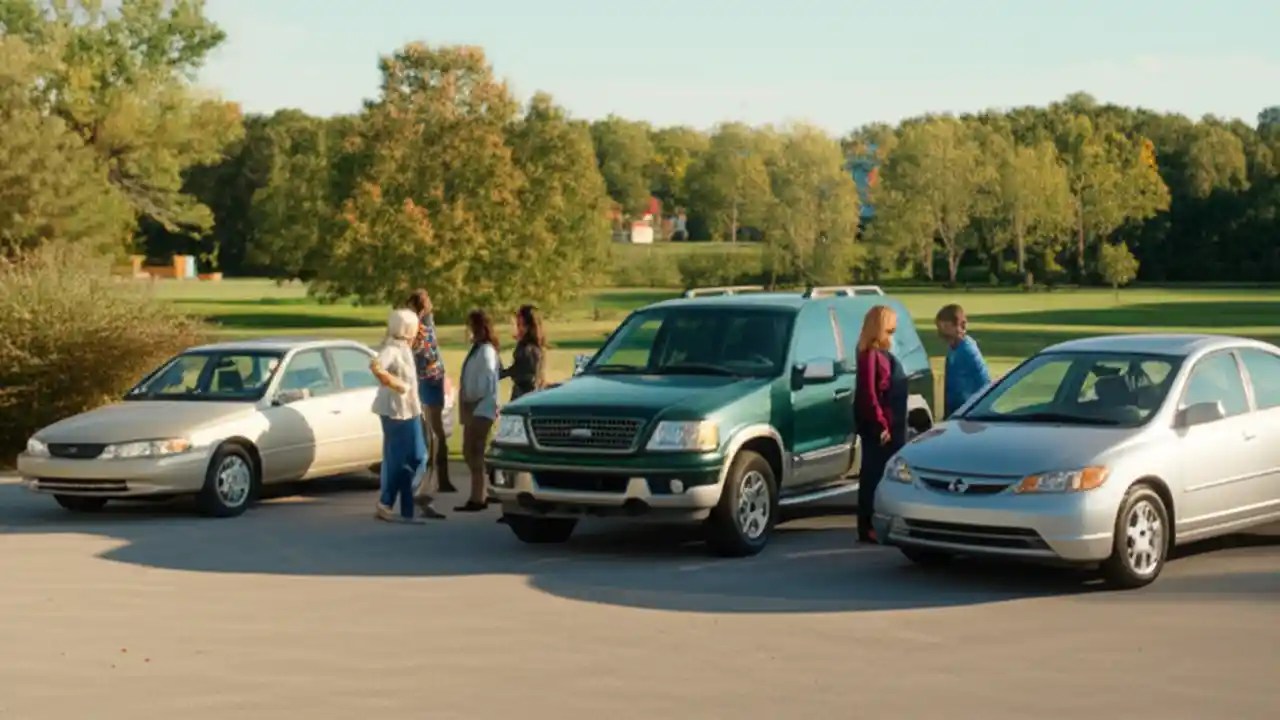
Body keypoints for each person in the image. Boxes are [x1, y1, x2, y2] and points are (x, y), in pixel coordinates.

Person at [369, 309, 432, 524]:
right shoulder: (392, 349)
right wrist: (395, 383)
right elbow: (376, 366)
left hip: (410, 410)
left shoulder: (405, 349)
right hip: (395, 411)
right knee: (398, 459)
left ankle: (407, 498)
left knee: (418, 456)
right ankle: (387, 503)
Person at [854, 305, 908, 544]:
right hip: (881, 426)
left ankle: (885, 521)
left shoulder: (885, 353)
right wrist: (880, 424)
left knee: (887, 472)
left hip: (894, 422)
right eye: (890, 325)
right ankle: (867, 526)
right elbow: (869, 393)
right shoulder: (870, 354)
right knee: (873, 475)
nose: (894, 330)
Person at [405, 290, 457, 499]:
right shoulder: (427, 325)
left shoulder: (421, 329)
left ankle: (438, 476)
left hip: (428, 380)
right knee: (434, 429)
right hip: (433, 379)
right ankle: (440, 476)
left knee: (433, 430)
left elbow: (424, 356)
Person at [456, 309, 501, 513]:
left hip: (481, 407)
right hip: (472, 407)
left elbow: (486, 382)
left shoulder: (486, 352)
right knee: (470, 451)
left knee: (475, 451)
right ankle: (481, 492)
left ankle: (479, 495)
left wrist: (472, 400)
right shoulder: (477, 349)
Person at [936, 304, 991, 418]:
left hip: (970, 413)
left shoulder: (967, 350)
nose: (942, 333)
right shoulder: (953, 349)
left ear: (959, 326)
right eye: (940, 327)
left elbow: (984, 385)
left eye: (946, 327)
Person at [501, 304, 547, 401]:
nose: (519, 329)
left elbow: (522, 371)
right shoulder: (528, 346)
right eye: (518, 325)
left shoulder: (529, 349)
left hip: (526, 395)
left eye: (521, 325)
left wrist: (501, 374)